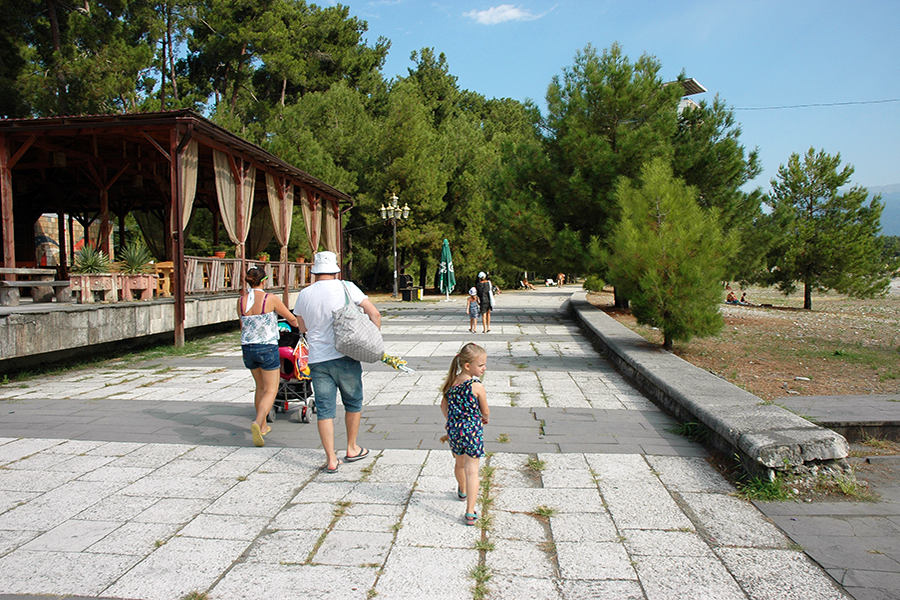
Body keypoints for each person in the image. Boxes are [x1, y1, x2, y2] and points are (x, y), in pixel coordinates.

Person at [292, 251, 381, 472]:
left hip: (318, 360)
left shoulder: (304, 294)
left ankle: (331, 459)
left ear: (314, 272)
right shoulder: (346, 287)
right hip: (346, 356)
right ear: (335, 270)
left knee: (324, 409)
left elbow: (301, 327)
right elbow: (375, 314)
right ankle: (352, 447)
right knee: (353, 402)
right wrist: (372, 338)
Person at [238, 267, 299, 448]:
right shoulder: (269, 299)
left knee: (260, 387)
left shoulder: (241, 301)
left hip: (247, 348)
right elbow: (290, 318)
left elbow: (243, 325)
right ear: (264, 280)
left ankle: (263, 426)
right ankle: (257, 422)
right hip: (266, 347)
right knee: (271, 389)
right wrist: (298, 325)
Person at [441, 342, 489, 526]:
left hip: (454, 431)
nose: (484, 368)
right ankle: (470, 511)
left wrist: (453, 420)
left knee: (459, 463)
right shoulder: (476, 386)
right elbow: (485, 411)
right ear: (468, 366)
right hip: (472, 431)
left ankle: (462, 490)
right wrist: (484, 418)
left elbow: (443, 407)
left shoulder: (451, 383)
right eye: (481, 365)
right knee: (473, 471)